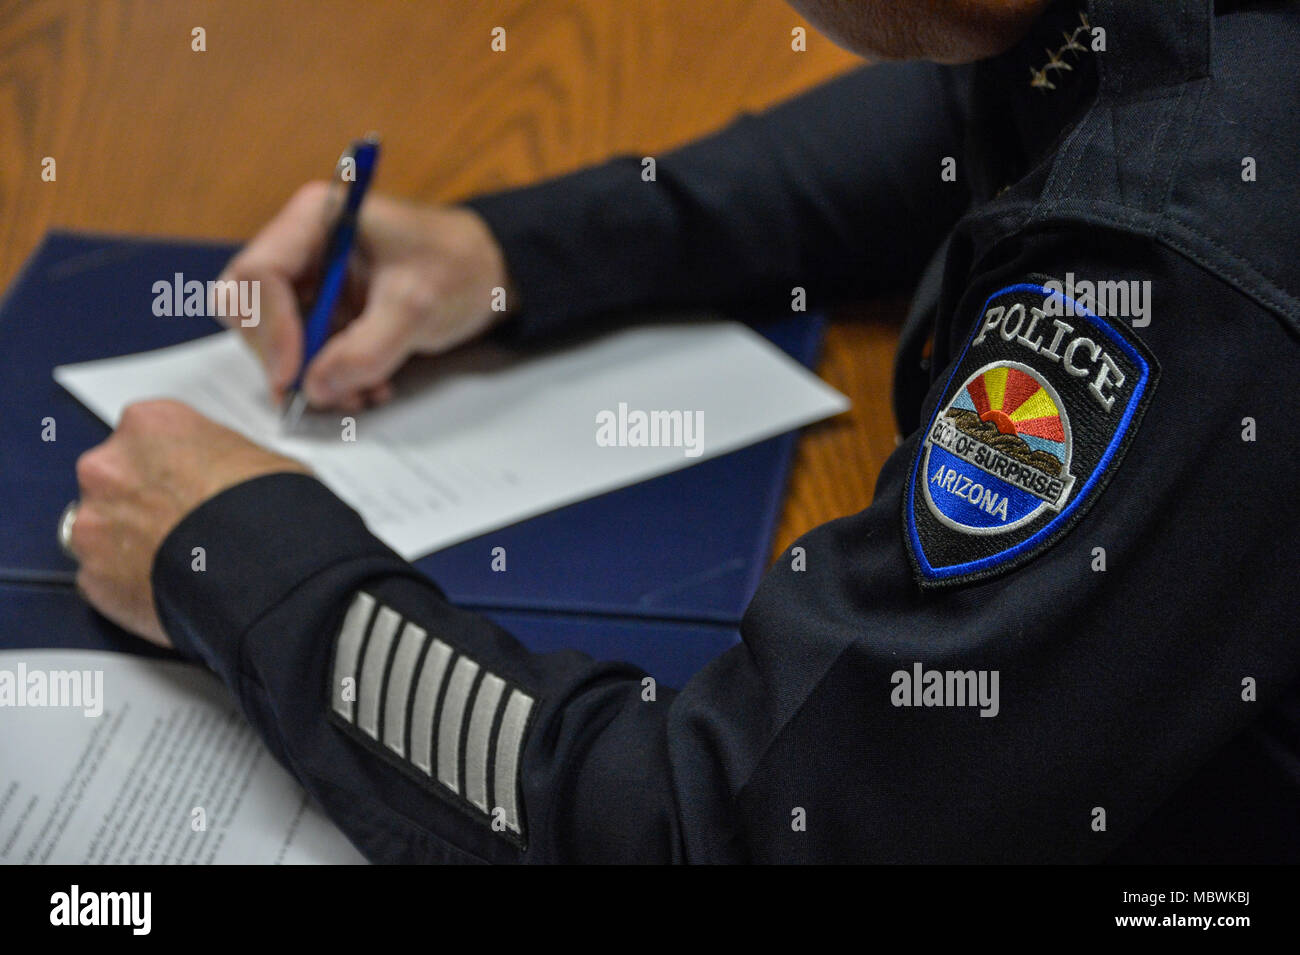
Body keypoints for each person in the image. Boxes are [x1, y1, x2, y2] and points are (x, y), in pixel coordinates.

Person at [65, 0, 1300, 863]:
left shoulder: (1180, 257)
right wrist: (513, 250)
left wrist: (251, 563)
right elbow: (1008, 91)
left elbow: (718, 832)